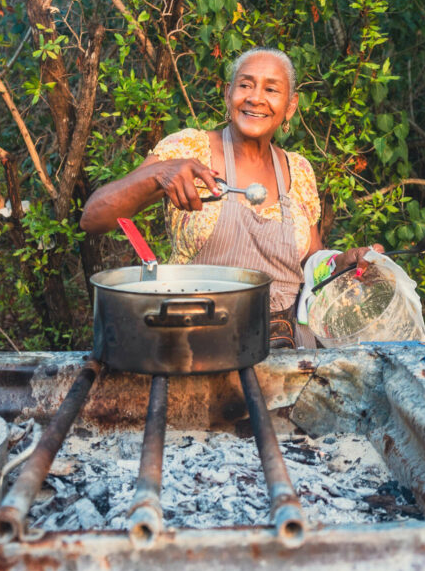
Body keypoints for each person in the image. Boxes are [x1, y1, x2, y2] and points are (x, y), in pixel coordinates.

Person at [80, 47, 381, 348]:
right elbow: (93, 218)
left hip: (287, 349)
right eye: (245, 85)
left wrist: (342, 264)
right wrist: (156, 173)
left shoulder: (298, 169)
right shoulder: (189, 150)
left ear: (290, 106)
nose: (255, 98)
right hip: (193, 342)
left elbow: (312, 265)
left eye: (271, 89)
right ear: (228, 95)